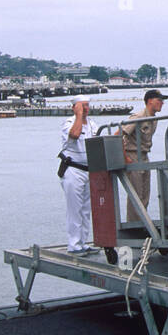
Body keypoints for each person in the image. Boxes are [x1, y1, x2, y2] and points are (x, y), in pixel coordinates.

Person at [58, 96, 98, 253]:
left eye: (87, 105)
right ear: (75, 107)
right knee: (75, 209)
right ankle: (74, 244)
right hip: (73, 170)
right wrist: (79, 116)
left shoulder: (93, 125)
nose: (86, 108)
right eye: (82, 106)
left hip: (88, 170)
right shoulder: (69, 123)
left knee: (86, 209)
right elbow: (74, 135)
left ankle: (83, 242)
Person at [117, 90, 165, 221]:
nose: (162, 103)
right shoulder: (138, 117)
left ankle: (143, 221)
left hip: (144, 155)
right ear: (150, 101)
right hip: (133, 155)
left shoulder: (153, 118)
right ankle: (134, 223)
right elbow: (118, 134)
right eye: (159, 100)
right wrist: (125, 157)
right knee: (136, 193)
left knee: (145, 193)